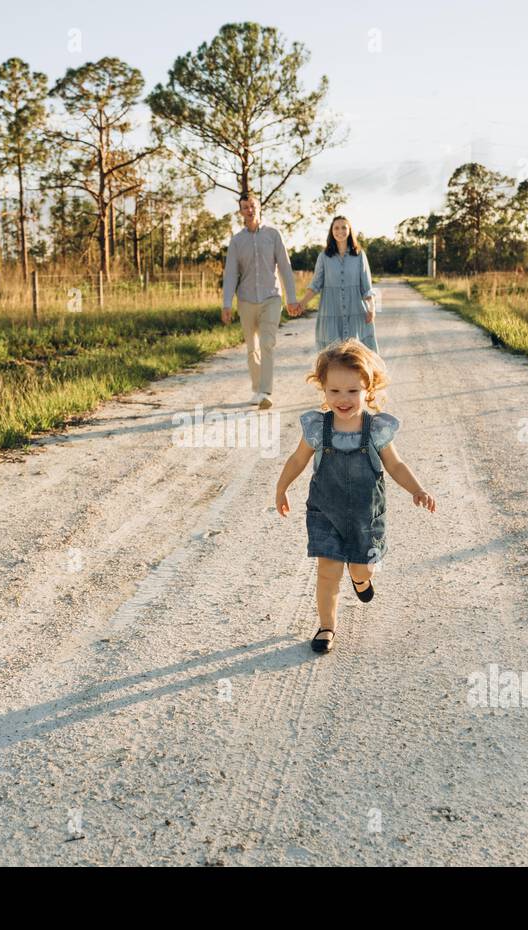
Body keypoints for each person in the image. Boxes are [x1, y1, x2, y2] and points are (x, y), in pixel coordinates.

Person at [273, 339, 435, 654]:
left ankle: (360, 580)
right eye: (334, 391)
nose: (343, 399)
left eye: (352, 391)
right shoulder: (318, 428)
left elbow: (395, 464)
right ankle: (326, 627)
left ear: (368, 389)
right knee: (327, 572)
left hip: (365, 517)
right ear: (323, 388)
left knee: (362, 568)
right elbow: (297, 460)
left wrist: (417, 489)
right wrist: (282, 487)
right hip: (326, 514)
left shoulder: (375, 429)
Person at [221, 191, 303, 409]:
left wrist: (292, 298)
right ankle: (257, 389)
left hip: (271, 298)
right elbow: (230, 274)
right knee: (252, 348)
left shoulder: (273, 235)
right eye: (245, 207)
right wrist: (226, 303)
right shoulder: (237, 241)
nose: (249, 210)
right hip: (246, 300)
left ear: (259, 207)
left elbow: (285, 268)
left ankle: (266, 392)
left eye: (252, 205)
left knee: (267, 343)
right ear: (240, 211)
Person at [297, 215, 378, 353]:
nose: (340, 231)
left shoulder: (359, 255)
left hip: (356, 312)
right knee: (332, 357)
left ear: (350, 230)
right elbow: (316, 284)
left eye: (344, 227)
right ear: (331, 231)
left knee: (357, 356)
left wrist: (372, 307)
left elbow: (367, 287)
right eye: (336, 228)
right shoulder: (323, 256)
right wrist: (302, 303)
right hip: (331, 312)